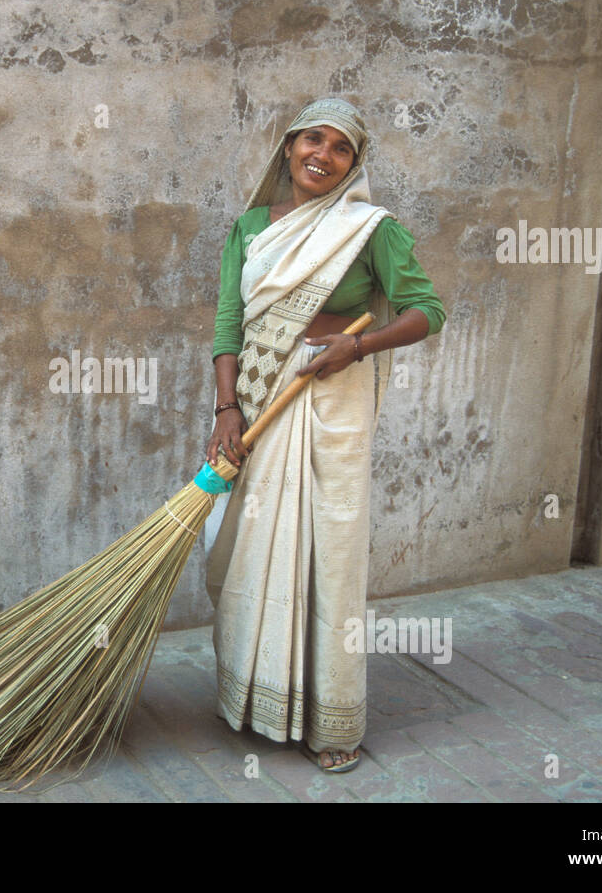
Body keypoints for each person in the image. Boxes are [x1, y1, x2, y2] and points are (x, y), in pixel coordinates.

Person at [203, 97, 445, 773]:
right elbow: (229, 324)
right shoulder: (250, 228)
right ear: (288, 147)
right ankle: (254, 697)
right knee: (251, 546)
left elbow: (430, 310)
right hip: (257, 403)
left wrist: (355, 346)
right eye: (314, 139)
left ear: (353, 164)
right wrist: (227, 408)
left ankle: (330, 717)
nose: (324, 155)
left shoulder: (369, 231)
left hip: (331, 402)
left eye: (342, 148)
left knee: (328, 552)